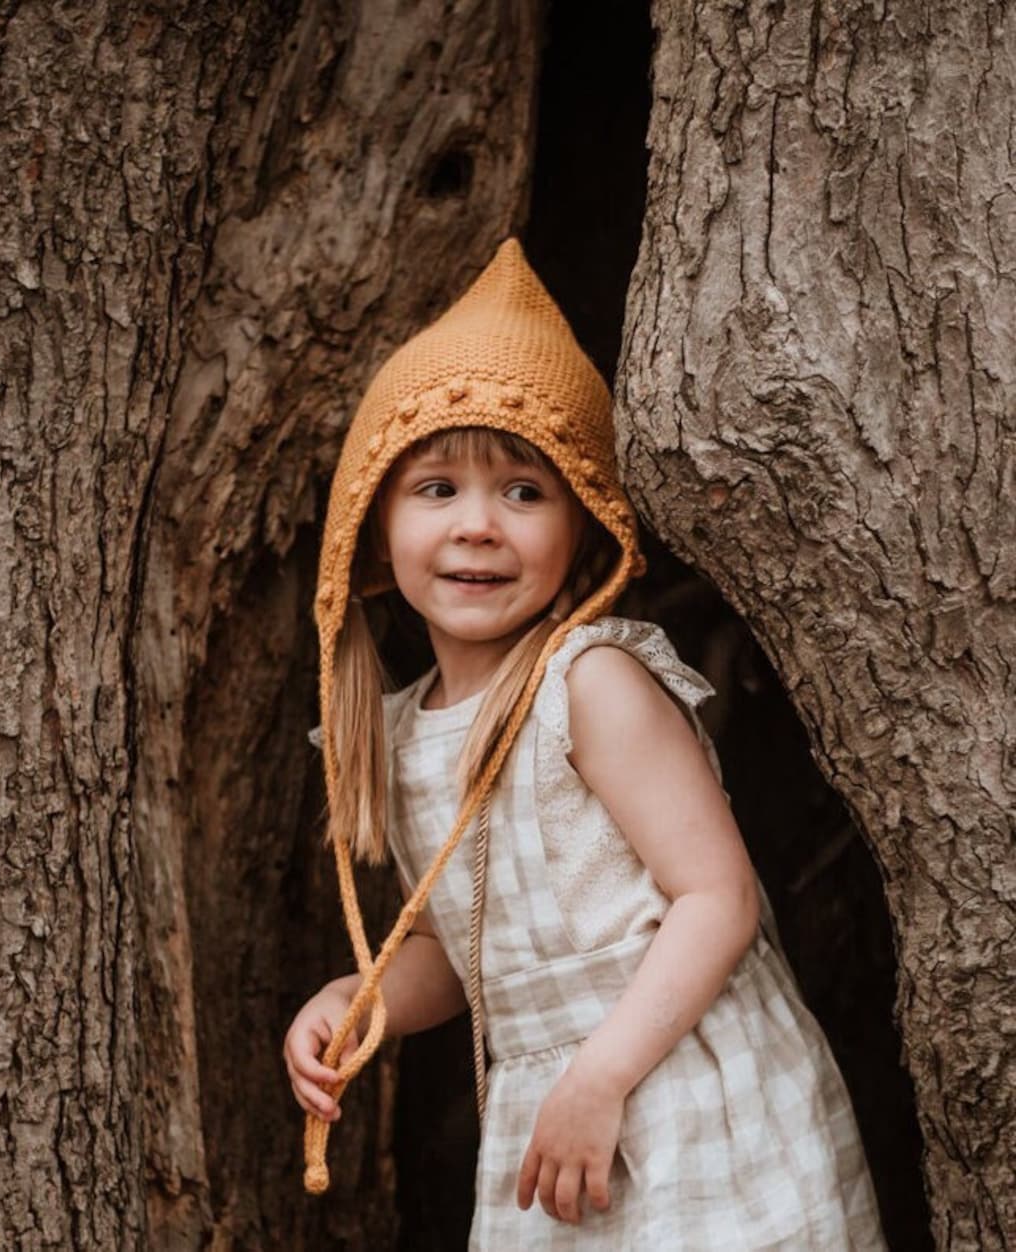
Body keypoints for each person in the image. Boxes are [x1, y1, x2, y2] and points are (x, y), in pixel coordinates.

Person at [283, 237, 886, 1248]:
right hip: (556, 1121)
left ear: (582, 525)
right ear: (374, 524)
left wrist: (602, 1075)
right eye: (438, 489)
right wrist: (362, 995)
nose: (480, 526)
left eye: (524, 491)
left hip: (682, 1092)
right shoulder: (400, 731)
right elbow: (464, 950)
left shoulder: (590, 682)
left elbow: (718, 896)